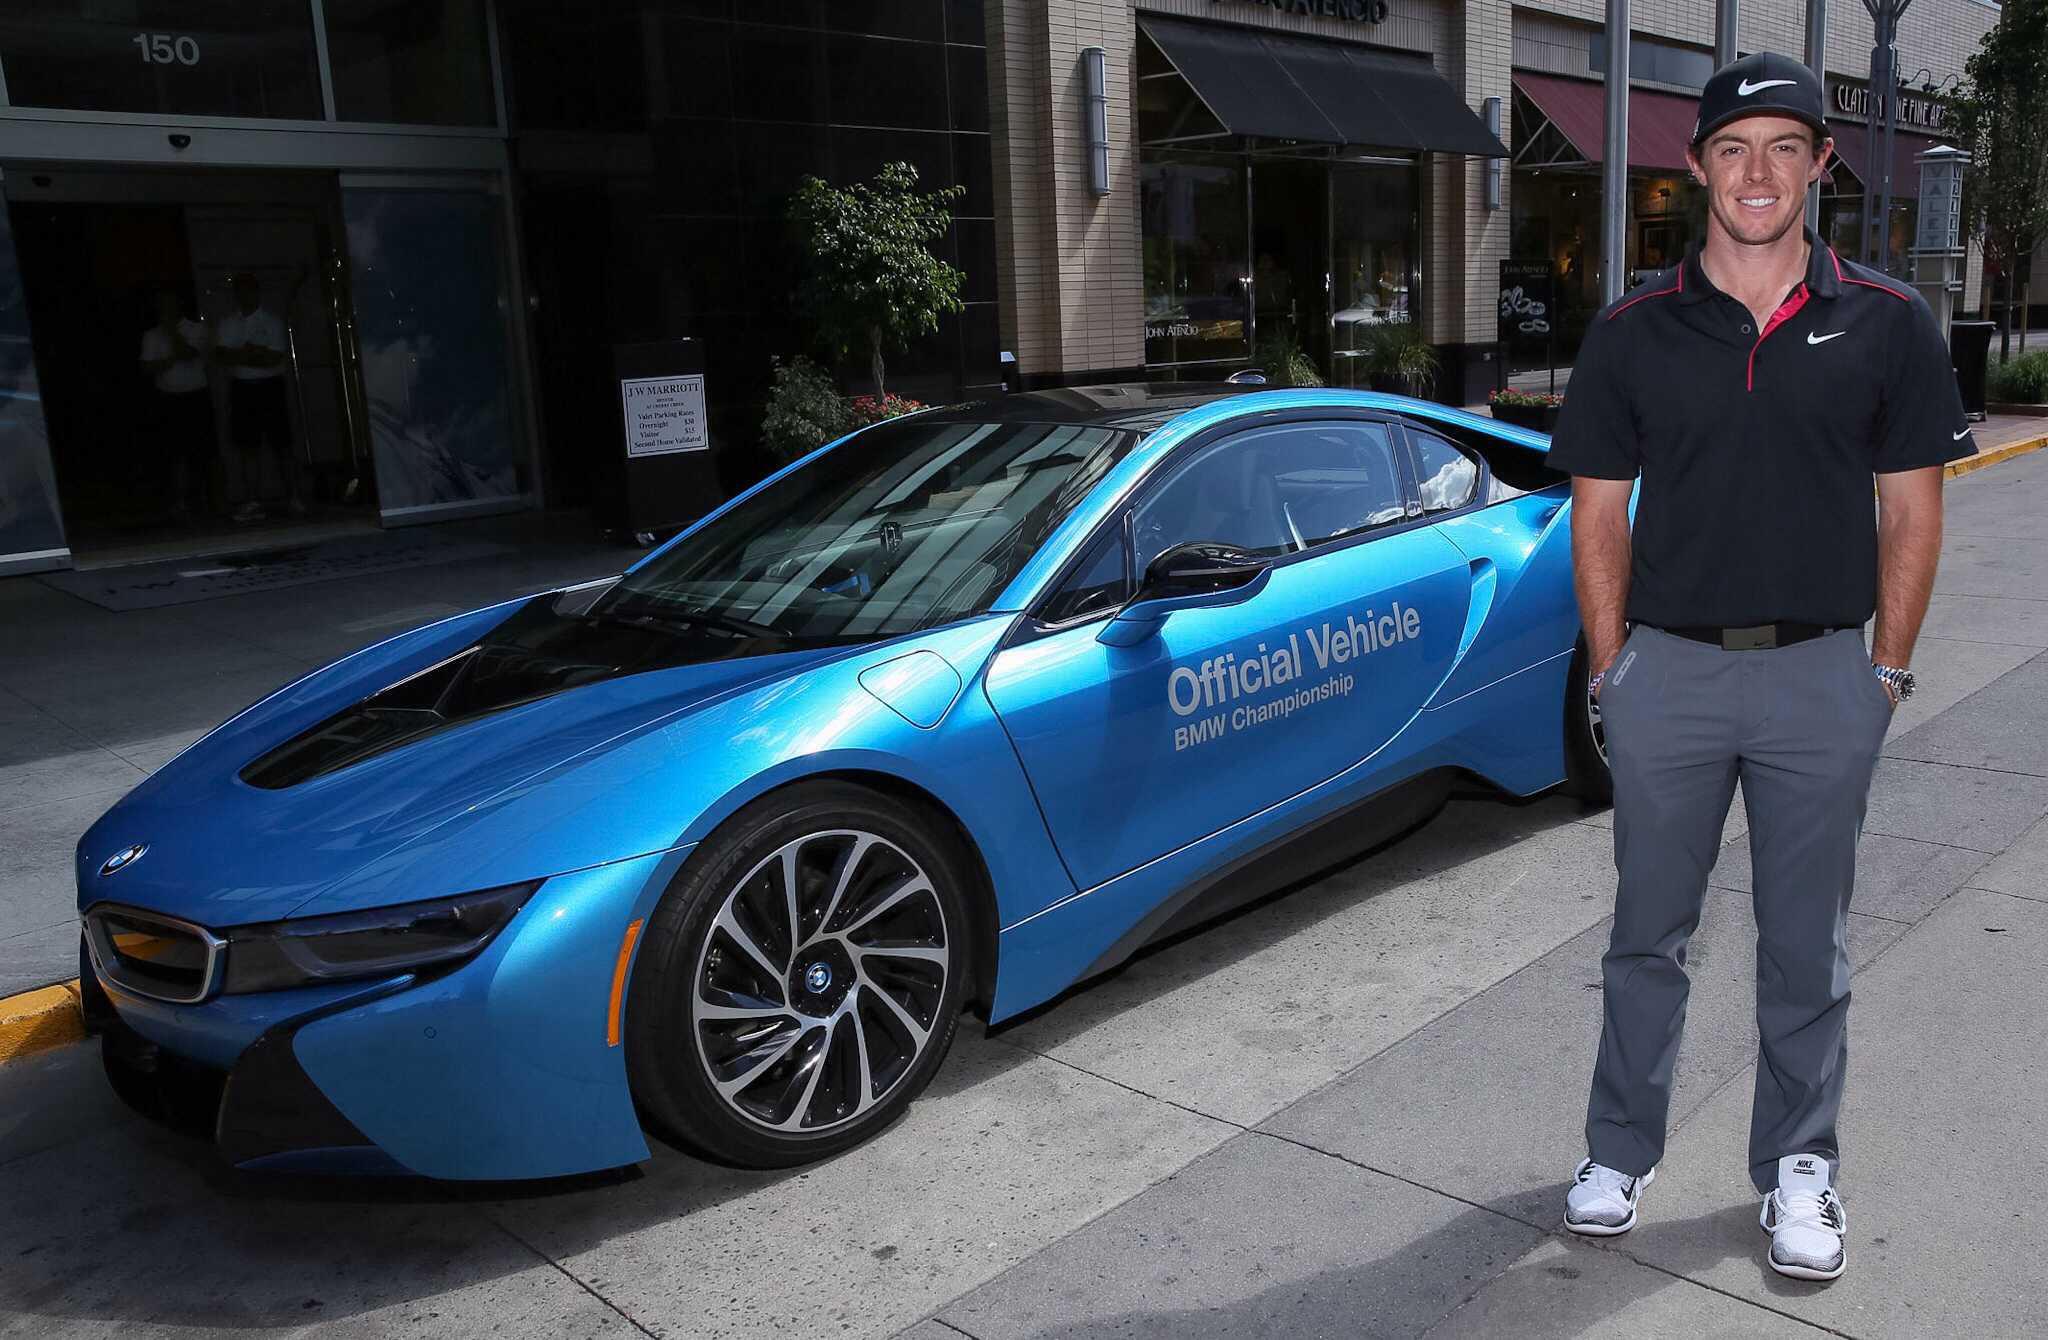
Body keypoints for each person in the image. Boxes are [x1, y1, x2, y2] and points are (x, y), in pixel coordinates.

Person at [1548, 52, 1974, 1282]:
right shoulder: (1632, 328)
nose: (1755, 171)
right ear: (1694, 168)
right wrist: (1613, 669)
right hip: (1669, 676)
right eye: (1732, 147)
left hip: (1818, 679)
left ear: (1819, 166)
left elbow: (1911, 511)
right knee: (1646, 933)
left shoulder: (1887, 322)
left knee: (1805, 944)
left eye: (1783, 146)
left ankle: (1798, 1164)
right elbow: (1595, 511)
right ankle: (1616, 1150)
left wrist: (1880, 673)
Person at [213, 271, 303, 521]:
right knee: (247, 445)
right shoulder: (228, 323)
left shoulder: (272, 322)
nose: (244, 295)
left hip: (270, 386)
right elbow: (221, 355)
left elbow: (274, 358)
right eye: (240, 291)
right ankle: (253, 500)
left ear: (256, 292)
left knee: (282, 443)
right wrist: (253, 354)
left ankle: (294, 496)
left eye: (248, 290)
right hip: (242, 387)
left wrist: (242, 354)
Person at [138, 289, 214, 520]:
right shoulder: (151, 335)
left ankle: (204, 499)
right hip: (169, 399)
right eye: (162, 305)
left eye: (170, 304)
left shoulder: (197, 329)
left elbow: (189, 354)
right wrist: (170, 360)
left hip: (195, 397)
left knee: (200, 450)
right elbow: (146, 368)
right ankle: (180, 501)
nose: (166, 309)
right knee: (174, 452)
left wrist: (172, 333)